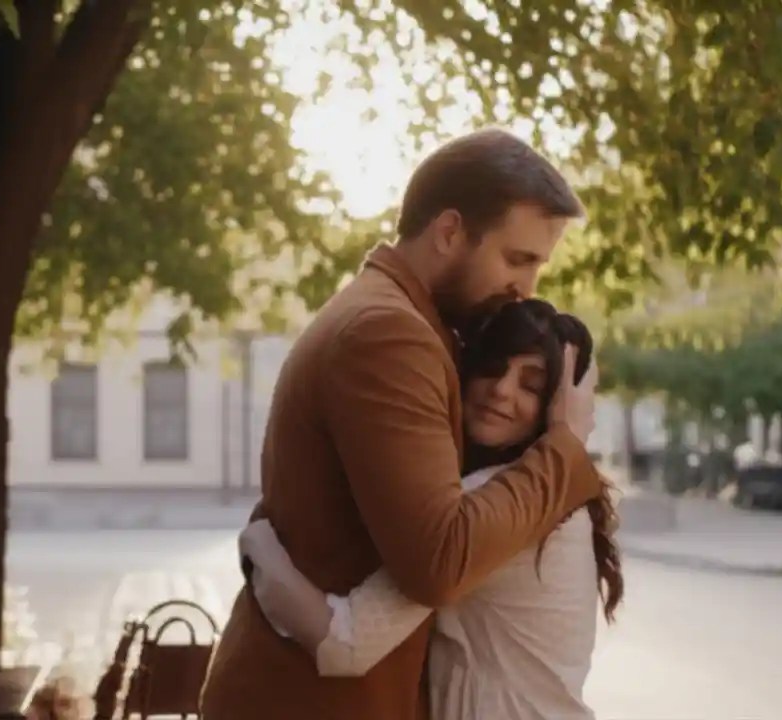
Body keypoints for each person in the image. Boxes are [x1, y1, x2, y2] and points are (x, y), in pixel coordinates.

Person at [199, 128, 603, 720]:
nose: (526, 289)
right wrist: (563, 452)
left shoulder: (398, 319)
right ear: (449, 232)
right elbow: (438, 562)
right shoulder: (392, 334)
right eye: (517, 260)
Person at [241, 300, 623, 720]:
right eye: (493, 367)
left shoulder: (498, 501)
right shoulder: (547, 496)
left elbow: (344, 643)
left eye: (530, 386)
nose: (502, 390)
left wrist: (259, 546)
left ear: (554, 408)